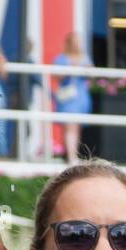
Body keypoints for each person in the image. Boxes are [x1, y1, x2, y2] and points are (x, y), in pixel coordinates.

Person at [51, 32, 91, 164]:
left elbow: (91, 75)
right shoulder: (62, 58)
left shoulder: (85, 58)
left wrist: (86, 69)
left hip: (80, 97)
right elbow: (56, 76)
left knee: (76, 127)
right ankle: (71, 156)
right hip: (69, 98)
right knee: (69, 127)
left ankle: (71, 154)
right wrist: (70, 69)